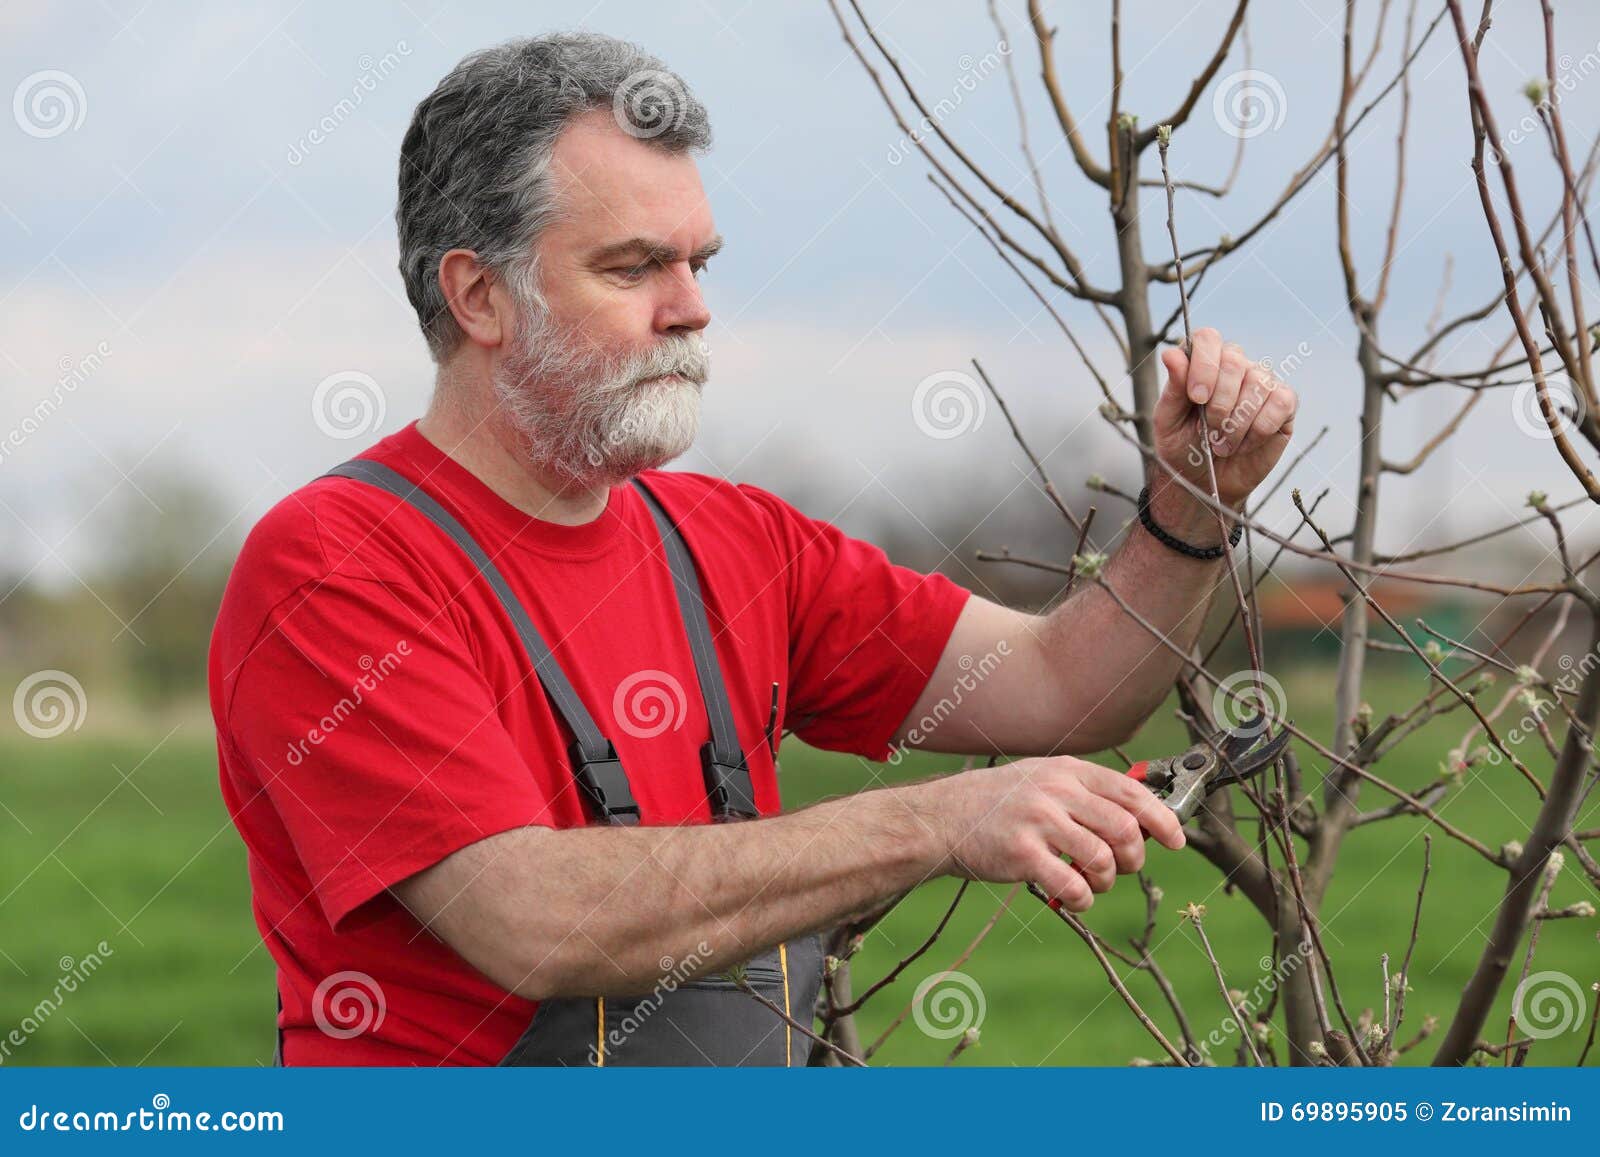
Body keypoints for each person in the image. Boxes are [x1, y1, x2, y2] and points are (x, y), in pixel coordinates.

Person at [208, 32, 1297, 1067]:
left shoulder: (731, 542)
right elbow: (530, 916)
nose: (691, 310)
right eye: (634, 268)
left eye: (699, 264)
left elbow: (1064, 684)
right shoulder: (337, 563)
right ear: (479, 294)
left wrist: (1190, 506)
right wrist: (934, 817)